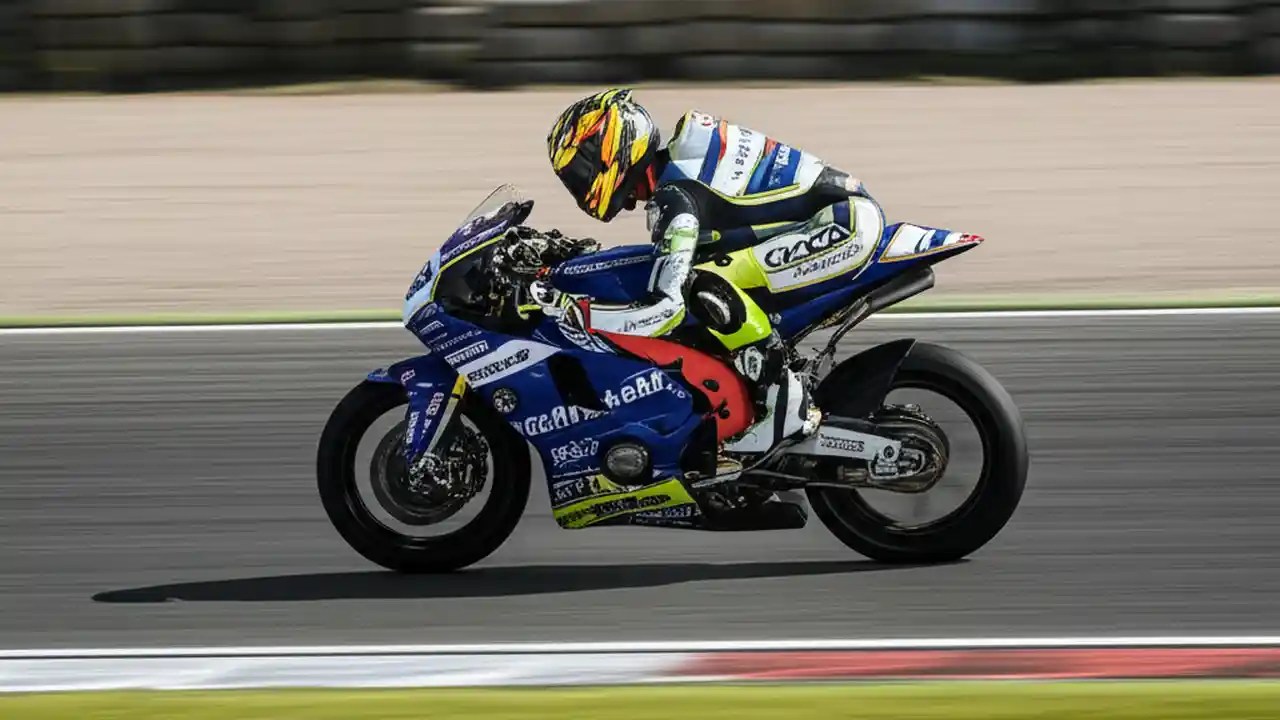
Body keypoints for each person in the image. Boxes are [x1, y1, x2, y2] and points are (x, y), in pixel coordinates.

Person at [538, 88, 881, 460]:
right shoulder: (680, 166)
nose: (580, 182)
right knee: (701, 269)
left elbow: (664, 309)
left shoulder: (676, 195)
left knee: (703, 284)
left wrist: (580, 313)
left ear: (610, 149)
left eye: (581, 170)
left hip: (841, 229)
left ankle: (784, 410)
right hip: (836, 218)